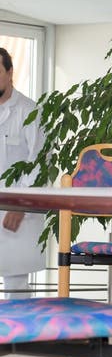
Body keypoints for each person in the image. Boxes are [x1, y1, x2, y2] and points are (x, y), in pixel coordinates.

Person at [0, 48, 45, 298]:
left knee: (16, 285)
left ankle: (17, 337)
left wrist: (21, 204)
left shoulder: (30, 112)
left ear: (9, 72)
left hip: (16, 211)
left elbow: (40, 161)